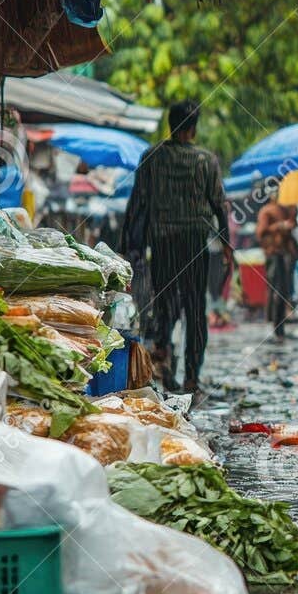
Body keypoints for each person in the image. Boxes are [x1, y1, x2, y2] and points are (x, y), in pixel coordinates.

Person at [123, 100, 232, 393]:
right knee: (196, 309)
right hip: (195, 243)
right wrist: (226, 245)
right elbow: (219, 205)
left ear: (171, 125)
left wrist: (127, 245)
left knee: (165, 304)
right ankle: (192, 376)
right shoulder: (206, 160)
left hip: (162, 242)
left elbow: (137, 204)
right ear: (194, 128)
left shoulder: (152, 157)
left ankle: (164, 361)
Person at [256, 184, 298, 340]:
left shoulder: (286, 209)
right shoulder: (266, 211)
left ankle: (279, 325)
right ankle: (276, 326)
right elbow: (260, 233)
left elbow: (294, 223)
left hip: (285, 254)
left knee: (284, 290)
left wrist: (291, 218)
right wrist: (278, 226)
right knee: (277, 289)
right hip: (273, 254)